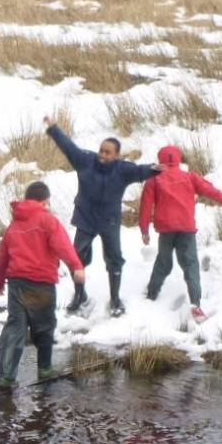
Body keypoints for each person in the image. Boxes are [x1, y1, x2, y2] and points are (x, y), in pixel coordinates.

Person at [44, 118, 158, 317]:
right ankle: (80, 295)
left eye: (108, 152)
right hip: (85, 218)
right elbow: (68, 146)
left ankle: (115, 299)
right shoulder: (85, 160)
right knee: (75, 257)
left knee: (114, 259)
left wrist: (154, 170)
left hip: (109, 221)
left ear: (116, 155)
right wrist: (53, 129)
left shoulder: (123, 169)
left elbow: (141, 171)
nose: (103, 155)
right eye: (101, 151)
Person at [0, 180, 85, 391]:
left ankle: (5, 378)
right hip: (42, 284)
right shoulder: (48, 221)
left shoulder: (13, 226)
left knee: (15, 330)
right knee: (44, 328)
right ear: (44, 201)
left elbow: (2, 258)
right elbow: (63, 245)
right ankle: (44, 370)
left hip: (16, 284)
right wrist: (76, 266)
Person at [140, 144, 222, 321]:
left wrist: (144, 230)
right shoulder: (189, 177)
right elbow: (212, 191)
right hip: (186, 229)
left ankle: (151, 295)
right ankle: (196, 303)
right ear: (179, 159)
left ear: (160, 159)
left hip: (166, 230)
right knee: (191, 265)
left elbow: (145, 207)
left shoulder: (153, 180)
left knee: (164, 262)